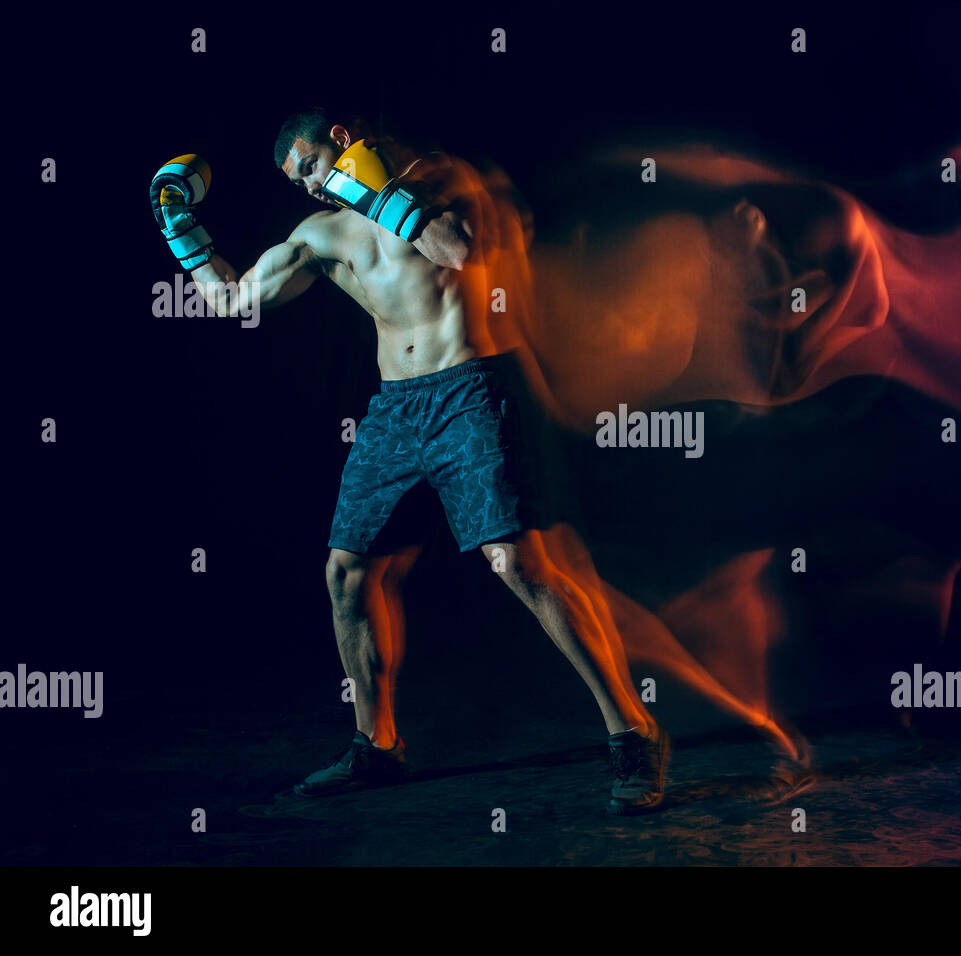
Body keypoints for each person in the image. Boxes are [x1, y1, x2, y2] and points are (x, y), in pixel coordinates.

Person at [149, 107, 668, 815]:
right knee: (347, 570)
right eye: (296, 182)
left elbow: (455, 249)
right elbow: (233, 300)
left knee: (518, 563)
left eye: (308, 167)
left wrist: (362, 182)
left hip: (475, 388)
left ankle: (633, 733)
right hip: (396, 409)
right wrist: (181, 228)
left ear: (340, 139)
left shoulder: (442, 179)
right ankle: (377, 748)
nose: (307, 188)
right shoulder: (320, 234)